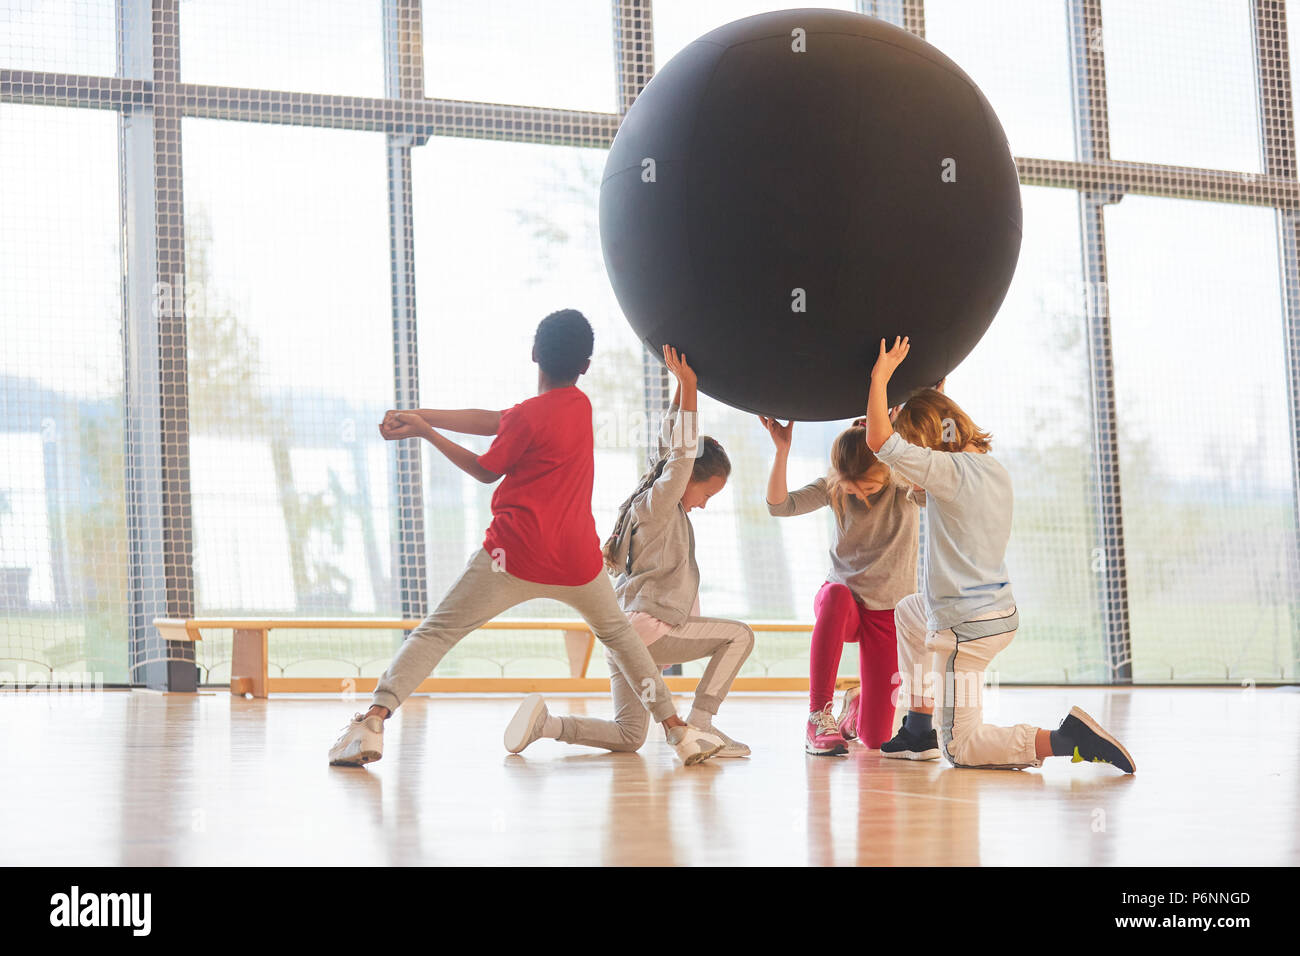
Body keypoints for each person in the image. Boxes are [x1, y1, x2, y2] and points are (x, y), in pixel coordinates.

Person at [328, 310, 724, 768]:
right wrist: (420, 416)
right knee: (619, 637)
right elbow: (500, 420)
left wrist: (425, 432)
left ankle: (372, 722)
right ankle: (678, 731)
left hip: (510, 556)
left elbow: (485, 468)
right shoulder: (580, 407)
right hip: (576, 562)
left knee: (437, 632)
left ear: (534, 354)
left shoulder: (530, 417)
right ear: (586, 367)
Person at [866, 336, 1135, 772]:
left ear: (931, 442)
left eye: (915, 445)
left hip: (966, 630)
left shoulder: (949, 473)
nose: (910, 457)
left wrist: (880, 379)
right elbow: (924, 474)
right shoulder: (988, 469)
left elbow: (880, 441)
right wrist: (932, 397)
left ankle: (1066, 739)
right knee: (910, 613)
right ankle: (918, 727)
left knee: (962, 747)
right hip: (992, 612)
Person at [503, 345, 755, 758]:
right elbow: (681, 455)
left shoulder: (649, 502)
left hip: (623, 636)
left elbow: (669, 452)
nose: (706, 503)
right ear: (688, 478)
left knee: (629, 735)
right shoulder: (660, 507)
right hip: (652, 633)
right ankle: (702, 725)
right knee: (740, 636)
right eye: (707, 492)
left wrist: (680, 389)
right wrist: (691, 386)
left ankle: (547, 725)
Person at [762, 416, 918, 755]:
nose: (860, 496)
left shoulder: (906, 482)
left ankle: (857, 706)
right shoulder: (832, 486)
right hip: (843, 605)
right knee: (835, 594)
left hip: (888, 612)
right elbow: (779, 506)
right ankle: (818, 715)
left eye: (869, 489)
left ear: (888, 471)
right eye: (851, 490)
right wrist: (782, 451)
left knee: (875, 739)